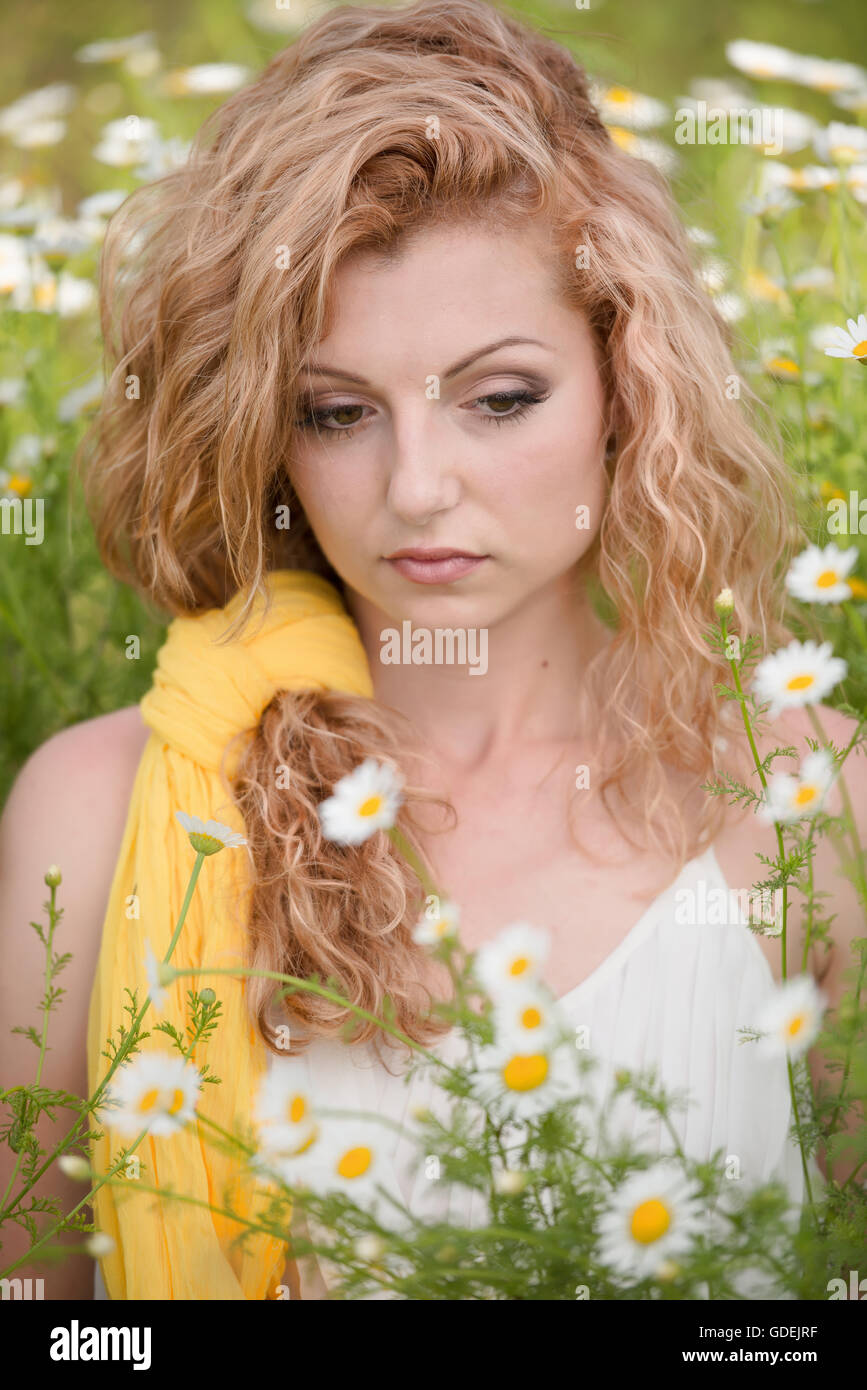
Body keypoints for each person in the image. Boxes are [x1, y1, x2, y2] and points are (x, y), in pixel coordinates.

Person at [1, 0, 864, 1301]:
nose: (418, 486)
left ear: (629, 382)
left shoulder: (812, 798)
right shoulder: (103, 807)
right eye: (338, 412)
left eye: (499, 397)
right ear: (263, 435)